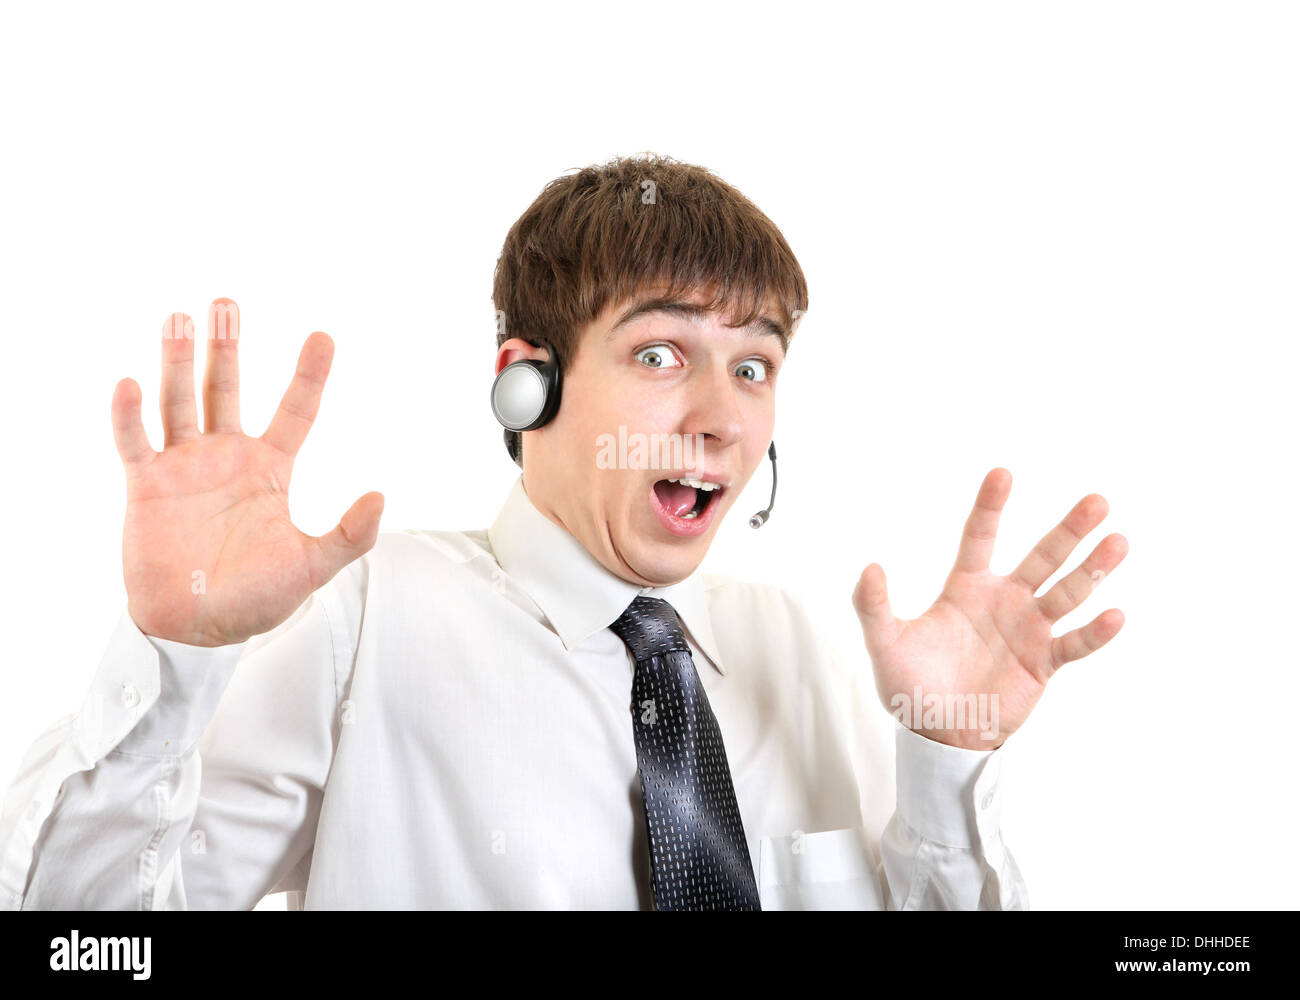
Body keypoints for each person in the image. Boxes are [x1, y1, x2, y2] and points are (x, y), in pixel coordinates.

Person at [0, 153, 1126, 910]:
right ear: (523, 387)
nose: (722, 416)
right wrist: (174, 654)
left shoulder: (800, 644)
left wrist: (946, 755)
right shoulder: (365, 617)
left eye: (753, 366)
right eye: (659, 354)